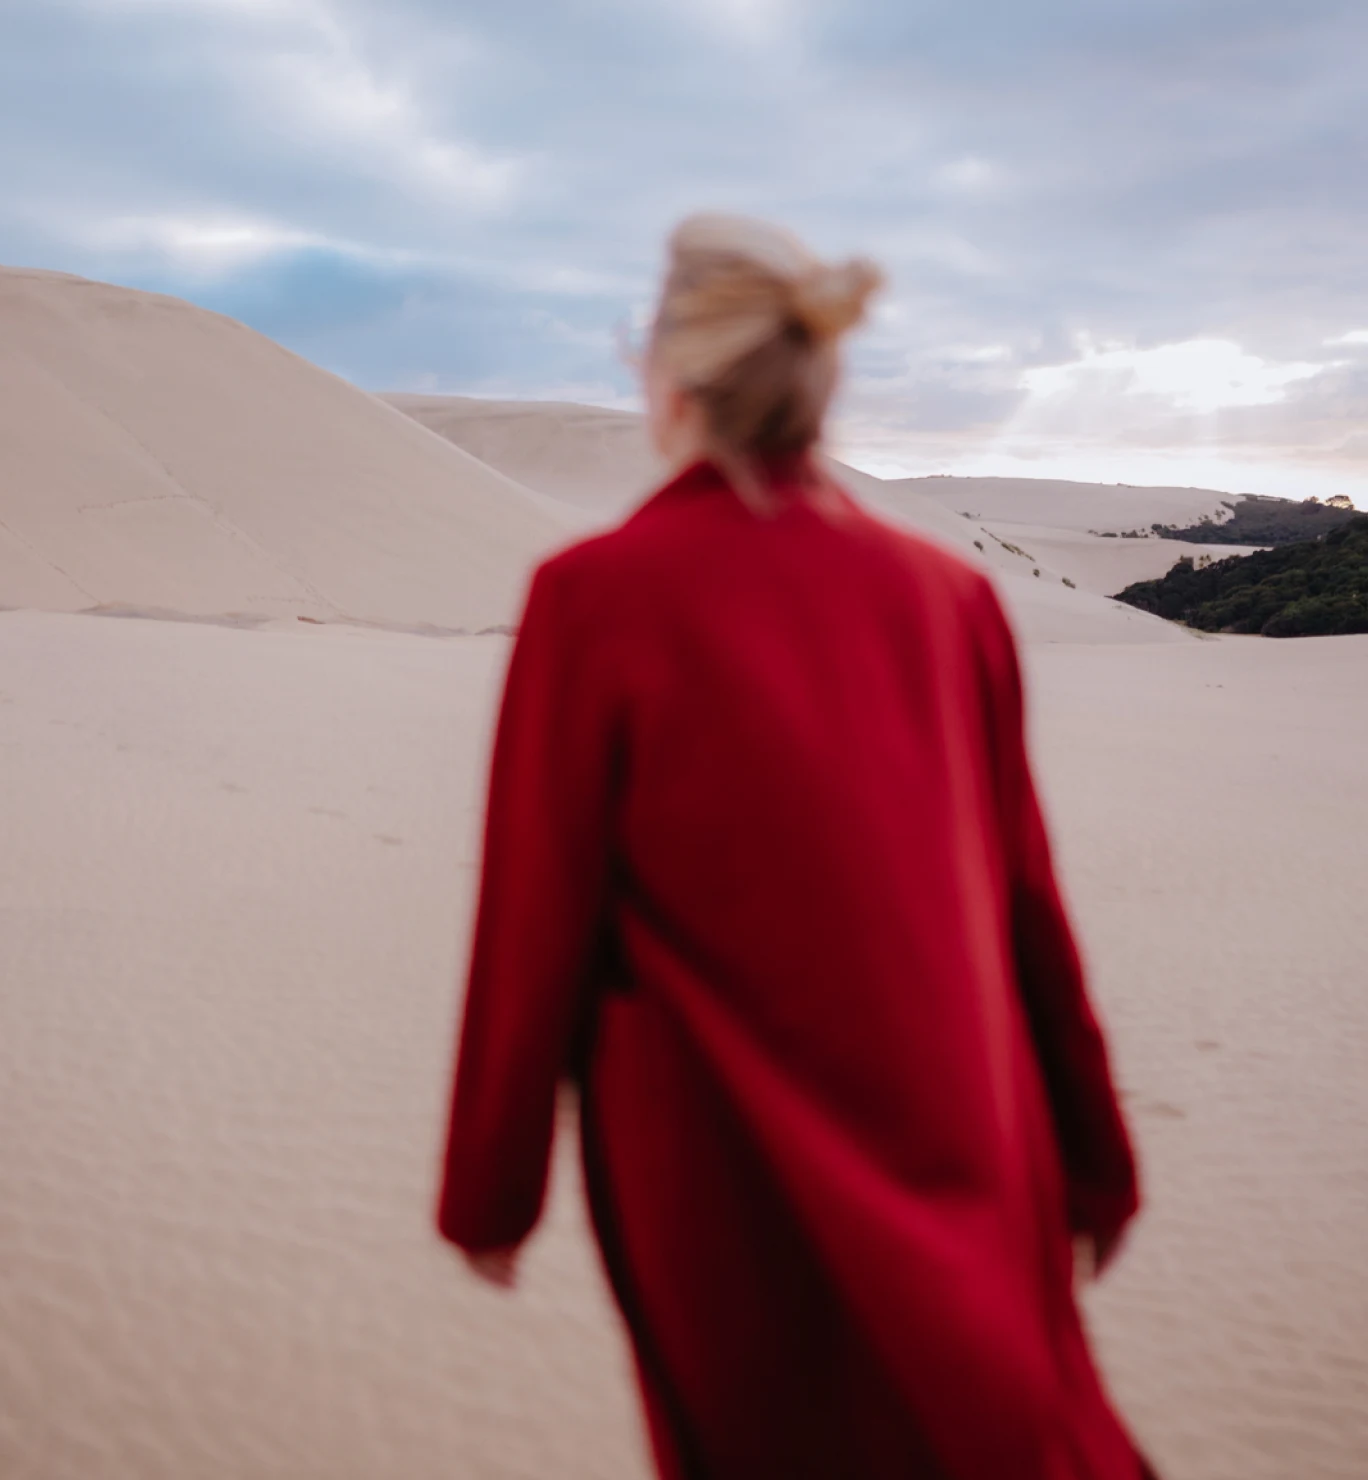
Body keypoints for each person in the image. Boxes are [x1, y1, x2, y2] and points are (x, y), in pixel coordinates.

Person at [437, 213, 1152, 1480]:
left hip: (719, 1172)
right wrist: (1095, 1154)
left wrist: (491, 1191)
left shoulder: (594, 599)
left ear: (664, 373)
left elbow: (533, 918)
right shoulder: (951, 598)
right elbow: (1024, 899)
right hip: (968, 1136)